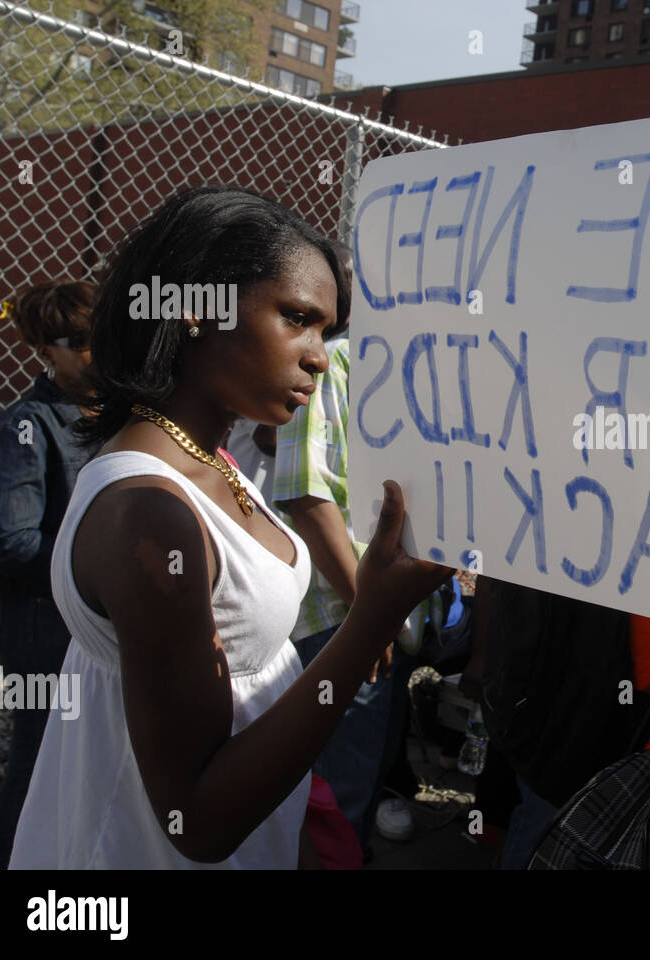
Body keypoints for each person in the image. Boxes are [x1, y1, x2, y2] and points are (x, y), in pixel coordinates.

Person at [7, 185, 450, 868]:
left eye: (327, 331)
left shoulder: (202, 457)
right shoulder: (152, 517)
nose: (320, 356)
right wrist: (371, 619)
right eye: (297, 318)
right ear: (194, 309)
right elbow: (197, 819)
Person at [272, 240, 425, 861]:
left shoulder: (416, 370)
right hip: (345, 614)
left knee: (363, 768)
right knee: (340, 789)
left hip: (384, 613)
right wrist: (370, 617)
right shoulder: (332, 364)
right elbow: (307, 497)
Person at [0, 280, 99, 869]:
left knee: (88, 752)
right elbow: (9, 543)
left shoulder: (109, 417)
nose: (93, 350)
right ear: (44, 351)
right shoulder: (24, 429)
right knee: (42, 753)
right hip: (42, 624)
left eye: (101, 335)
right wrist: (103, 566)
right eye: (77, 341)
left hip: (94, 619)